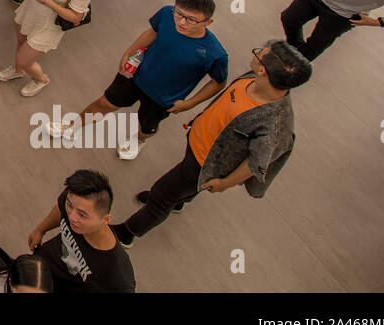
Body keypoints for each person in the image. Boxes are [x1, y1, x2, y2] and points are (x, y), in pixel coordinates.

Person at [111, 42, 313, 247]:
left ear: (263, 70)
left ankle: (127, 233)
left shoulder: (275, 124)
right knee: (181, 187)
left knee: (162, 195)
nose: (255, 53)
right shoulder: (253, 78)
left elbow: (256, 164)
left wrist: (225, 183)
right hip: (198, 142)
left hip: (204, 164)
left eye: (258, 53)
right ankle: (179, 201)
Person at [62, 0, 229, 163]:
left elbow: (218, 83)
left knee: (146, 126)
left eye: (191, 20)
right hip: (135, 75)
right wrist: (129, 52)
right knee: (105, 102)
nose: (181, 22)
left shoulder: (215, 54)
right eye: (178, 13)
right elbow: (153, 32)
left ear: (208, 22)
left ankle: (139, 139)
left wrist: (189, 104)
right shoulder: (166, 14)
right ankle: (74, 124)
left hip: (163, 98)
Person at [26, 169, 135, 293]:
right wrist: (41, 230)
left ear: (105, 219)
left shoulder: (117, 275)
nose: (72, 217)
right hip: (37, 268)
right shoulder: (76, 202)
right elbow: (60, 208)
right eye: (70, 205)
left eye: (82, 215)